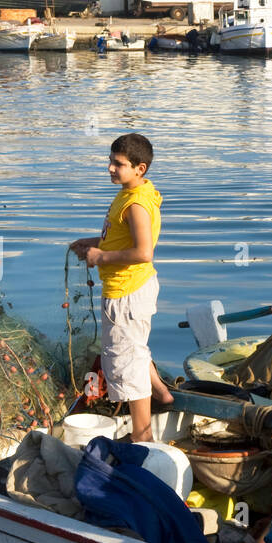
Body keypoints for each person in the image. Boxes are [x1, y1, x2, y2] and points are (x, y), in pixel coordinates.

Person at [69, 133, 173, 443]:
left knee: (126, 362)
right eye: (111, 161)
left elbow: (143, 252)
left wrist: (101, 256)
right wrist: (94, 243)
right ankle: (163, 395)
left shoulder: (138, 203)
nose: (111, 168)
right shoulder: (131, 193)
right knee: (135, 349)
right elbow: (120, 237)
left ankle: (143, 439)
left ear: (140, 168)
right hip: (131, 289)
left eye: (119, 164)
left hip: (127, 292)